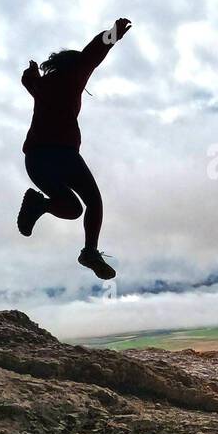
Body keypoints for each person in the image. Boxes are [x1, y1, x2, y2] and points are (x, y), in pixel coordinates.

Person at [16, 17, 131, 279]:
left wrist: (32, 73)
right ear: (74, 64)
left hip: (36, 159)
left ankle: (40, 205)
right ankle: (89, 251)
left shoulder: (42, 85)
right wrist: (114, 33)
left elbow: (28, 81)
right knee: (92, 203)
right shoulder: (75, 73)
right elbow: (95, 50)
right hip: (62, 155)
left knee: (74, 209)